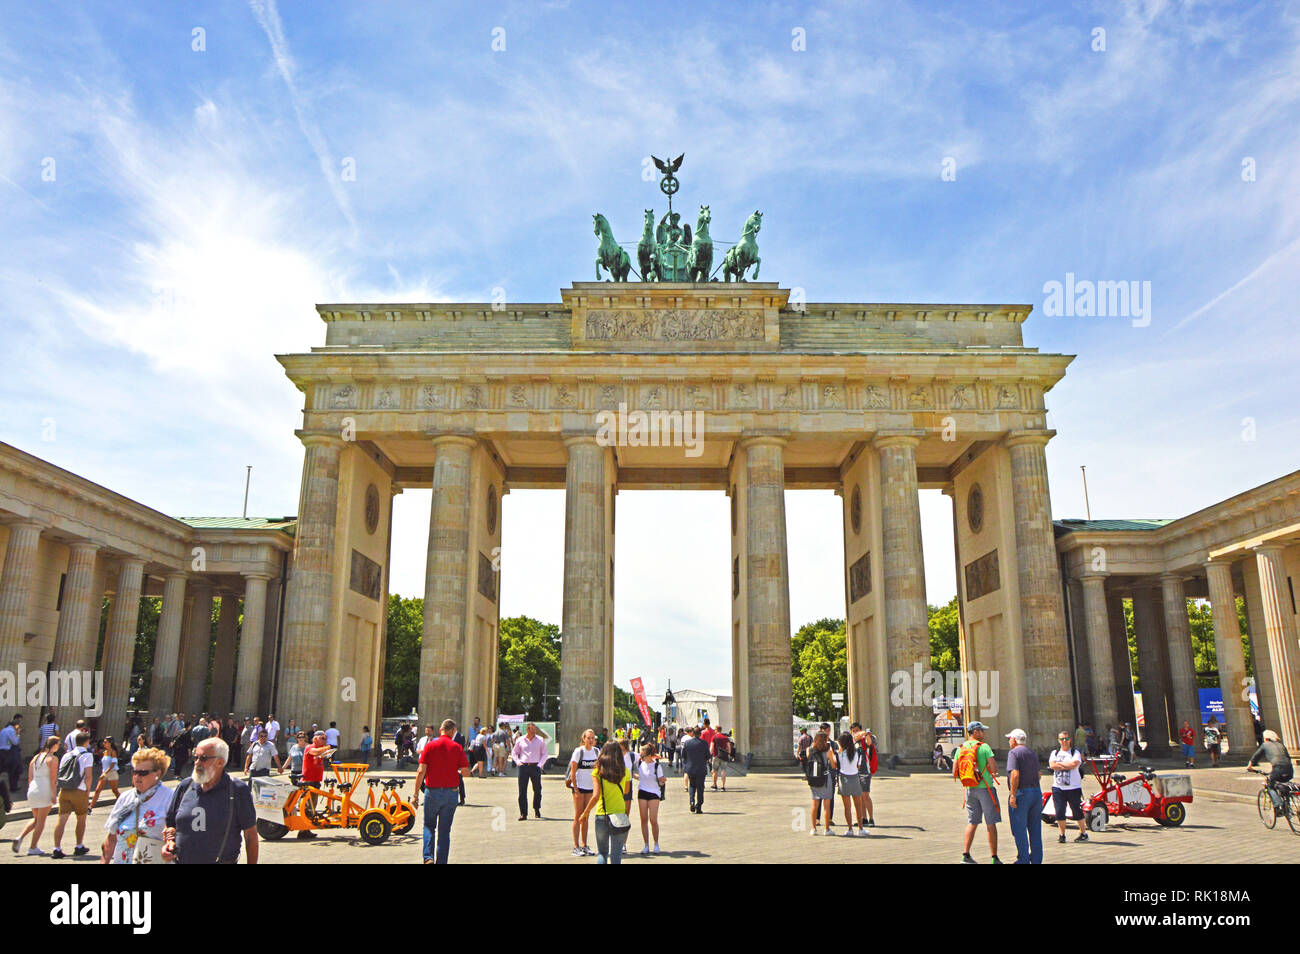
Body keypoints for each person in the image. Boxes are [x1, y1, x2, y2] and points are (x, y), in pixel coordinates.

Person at [161, 737, 258, 864]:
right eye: (195, 757)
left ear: (220, 762)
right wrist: (169, 841)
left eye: (203, 758)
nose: (197, 763)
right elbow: (170, 823)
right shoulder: (185, 787)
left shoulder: (237, 790)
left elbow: (250, 835)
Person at [100, 747, 173, 864]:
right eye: (134, 772)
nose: (137, 776)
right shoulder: (125, 797)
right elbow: (111, 838)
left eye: (143, 773)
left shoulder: (170, 797)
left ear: (157, 774)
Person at [411, 718, 470, 864]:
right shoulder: (457, 747)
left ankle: (428, 858)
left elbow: (421, 771)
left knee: (429, 826)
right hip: (451, 793)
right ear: (453, 731)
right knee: (444, 831)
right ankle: (442, 861)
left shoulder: (430, 746)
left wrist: (416, 795)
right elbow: (465, 772)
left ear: (440, 730)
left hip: (432, 792)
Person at [954, 721, 1001, 864]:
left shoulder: (960, 748)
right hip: (985, 788)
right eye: (981, 730)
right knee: (991, 823)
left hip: (969, 789)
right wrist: (987, 768)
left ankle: (965, 855)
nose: (984, 733)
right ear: (975, 732)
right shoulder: (984, 747)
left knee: (972, 822)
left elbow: (955, 772)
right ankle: (994, 858)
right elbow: (994, 769)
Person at [578, 741, 631, 864]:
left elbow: (595, 796)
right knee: (616, 854)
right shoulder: (625, 771)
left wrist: (585, 812)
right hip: (619, 815)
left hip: (602, 814)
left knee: (602, 853)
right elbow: (626, 791)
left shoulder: (598, 772)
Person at [13, 735, 60, 855]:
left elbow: (30, 777)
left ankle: (20, 837)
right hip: (44, 790)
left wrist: (31, 789)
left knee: (36, 819)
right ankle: (33, 847)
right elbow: (53, 779)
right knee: (40, 821)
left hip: (33, 789)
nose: (59, 746)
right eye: (58, 744)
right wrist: (54, 795)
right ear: (54, 745)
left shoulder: (36, 757)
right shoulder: (53, 759)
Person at [51, 730, 95, 859]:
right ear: (86, 742)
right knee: (81, 819)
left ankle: (57, 848)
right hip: (79, 790)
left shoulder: (67, 755)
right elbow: (88, 776)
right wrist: (87, 791)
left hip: (64, 790)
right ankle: (79, 846)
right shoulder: (87, 755)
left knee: (61, 820)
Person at [1004, 728, 1043, 864]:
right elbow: (1039, 774)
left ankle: (1023, 859)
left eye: (1009, 739)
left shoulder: (1014, 753)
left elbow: (1015, 774)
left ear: (1014, 740)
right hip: (1036, 792)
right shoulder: (1031, 752)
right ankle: (1037, 859)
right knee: (1035, 828)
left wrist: (1013, 794)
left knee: (1019, 828)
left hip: (1022, 793)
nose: (1009, 741)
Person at [1048, 730, 1088, 844]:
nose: (1064, 741)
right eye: (1062, 739)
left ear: (1070, 740)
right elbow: (1052, 765)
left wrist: (1059, 765)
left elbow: (1074, 764)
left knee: (1077, 811)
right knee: (1059, 811)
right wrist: (1066, 765)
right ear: (1059, 740)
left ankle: (1083, 833)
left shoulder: (1075, 752)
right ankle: (1062, 835)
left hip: (1073, 787)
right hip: (1058, 788)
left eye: (1066, 739)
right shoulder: (1055, 753)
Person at [566, 729, 600, 856]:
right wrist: (575, 789)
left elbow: (599, 769)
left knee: (586, 816)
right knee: (578, 816)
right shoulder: (578, 752)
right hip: (579, 788)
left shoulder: (596, 751)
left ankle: (585, 845)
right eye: (588, 738)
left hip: (590, 788)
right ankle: (576, 847)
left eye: (593, 738)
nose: (591, 740)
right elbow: (573, 772)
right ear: (583, 739)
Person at [511, 722, 548, 820]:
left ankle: (537, 808)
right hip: (524, 766)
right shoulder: (520, 740)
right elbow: (514, 752)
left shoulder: (540, 740)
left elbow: (545, 754)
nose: (534, 731)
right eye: (532, 729)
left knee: (537, 789)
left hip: (535, 766)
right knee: (522, 791)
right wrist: (518, 762)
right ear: (528, 730)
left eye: (535, 729)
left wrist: (540, 765)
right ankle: (523, 813)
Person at [1247, 729, 1293, 806]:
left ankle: (1278, 804)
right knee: (1284, 785)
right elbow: (1287, 758)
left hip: (1278, 769)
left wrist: (1250, 766)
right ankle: (1287, 806)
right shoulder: (1281, 745)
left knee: (1270, 786)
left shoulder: (1265, 745)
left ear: (1266, 738)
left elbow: (1256, 756)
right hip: (1290, 769)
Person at [635, 742, 665, 855]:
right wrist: (631, 775)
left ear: (647, 755)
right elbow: (641, 777)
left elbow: (661, 781)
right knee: (643, 820)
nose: (640, 755)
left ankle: (656, 844)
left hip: (654, 793)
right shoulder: (640, 763)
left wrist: (662, 781)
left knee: (653, 820)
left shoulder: (657, 766)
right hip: (642, 792)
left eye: (642, 753)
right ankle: (646, 845)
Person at [835, 732, 867, 836]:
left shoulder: (839, 754)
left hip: (843, 779)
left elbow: (836, 766)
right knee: (858, 805)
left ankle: (850, 829)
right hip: (855, 778)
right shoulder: (857, 752)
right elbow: (858, 766)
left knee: (847, 807)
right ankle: (861, 829)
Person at [805, 730, 835, 834]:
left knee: (814, 804)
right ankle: (827, 829)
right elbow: (834, 765)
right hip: (825, 779)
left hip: (814, 778)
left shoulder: (809, 750)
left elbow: (808, 757)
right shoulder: (828, 751)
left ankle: (813, 828)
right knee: (826, 805)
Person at [850, 723, 878, 826]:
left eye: (857, 730)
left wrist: (866, 734)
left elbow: (869, 742)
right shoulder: (852, 743)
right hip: (854, 772)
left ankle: (871, 819)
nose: (855, 732)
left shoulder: (864, 740)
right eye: (853, 731)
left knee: (865, 795)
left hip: (864, 772)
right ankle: (863, 818)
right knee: (859, 796)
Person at [679, 725, 710, 814]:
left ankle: (692, 801)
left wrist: (687, 763)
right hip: (701, 769)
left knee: (692, 785)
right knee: (700, 788)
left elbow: (683, 755)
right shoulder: (704, 743)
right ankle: (699, 806)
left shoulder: (687, 743)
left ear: (693, 733)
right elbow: (708, 756)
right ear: (700, 734)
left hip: (690, 768)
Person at [89, 737, 120, 809]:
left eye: (105, 742)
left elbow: (113, 764)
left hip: (112, 773)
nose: (104, 743)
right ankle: (90, 807)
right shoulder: (104, 752)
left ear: (110, 743)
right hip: (104, 773)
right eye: (104, 742)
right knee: (97, 790)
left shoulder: (113, 752)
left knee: (115, 791)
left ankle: (123, 803)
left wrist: (105, 773)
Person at [0, 715, 21, 790]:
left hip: (2, 751)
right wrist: (18, 734)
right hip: (8, 752)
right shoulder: (11, 731)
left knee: (2, 769)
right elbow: (15, 742)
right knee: (13, 770)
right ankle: (13, 787)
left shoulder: (3, 730)